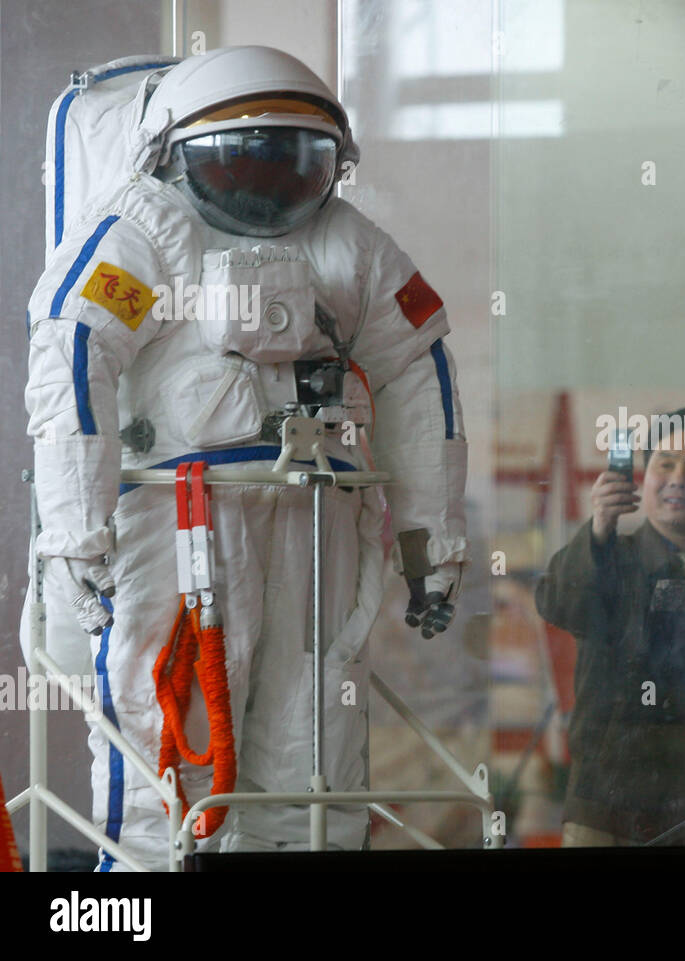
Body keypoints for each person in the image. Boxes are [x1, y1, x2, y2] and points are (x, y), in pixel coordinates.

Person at [22, 46, 468, 870]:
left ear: (331, 165)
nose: (267, 175)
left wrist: (429, 543)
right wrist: (78, 532)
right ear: (173, 152)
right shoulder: (145, 229)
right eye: (243, 152)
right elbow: (74, 352)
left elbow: (416, 367)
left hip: (317, 514)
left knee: (318, 724)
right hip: (176, 518)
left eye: (293, 157)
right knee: (173, 725)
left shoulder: (348, 244)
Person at [535, 406, 685, 855]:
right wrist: (600, 529)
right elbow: (559, 604)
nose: (678, 477)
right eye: (665, 463)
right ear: (643, 478)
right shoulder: (607, 559)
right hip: (607, 818)